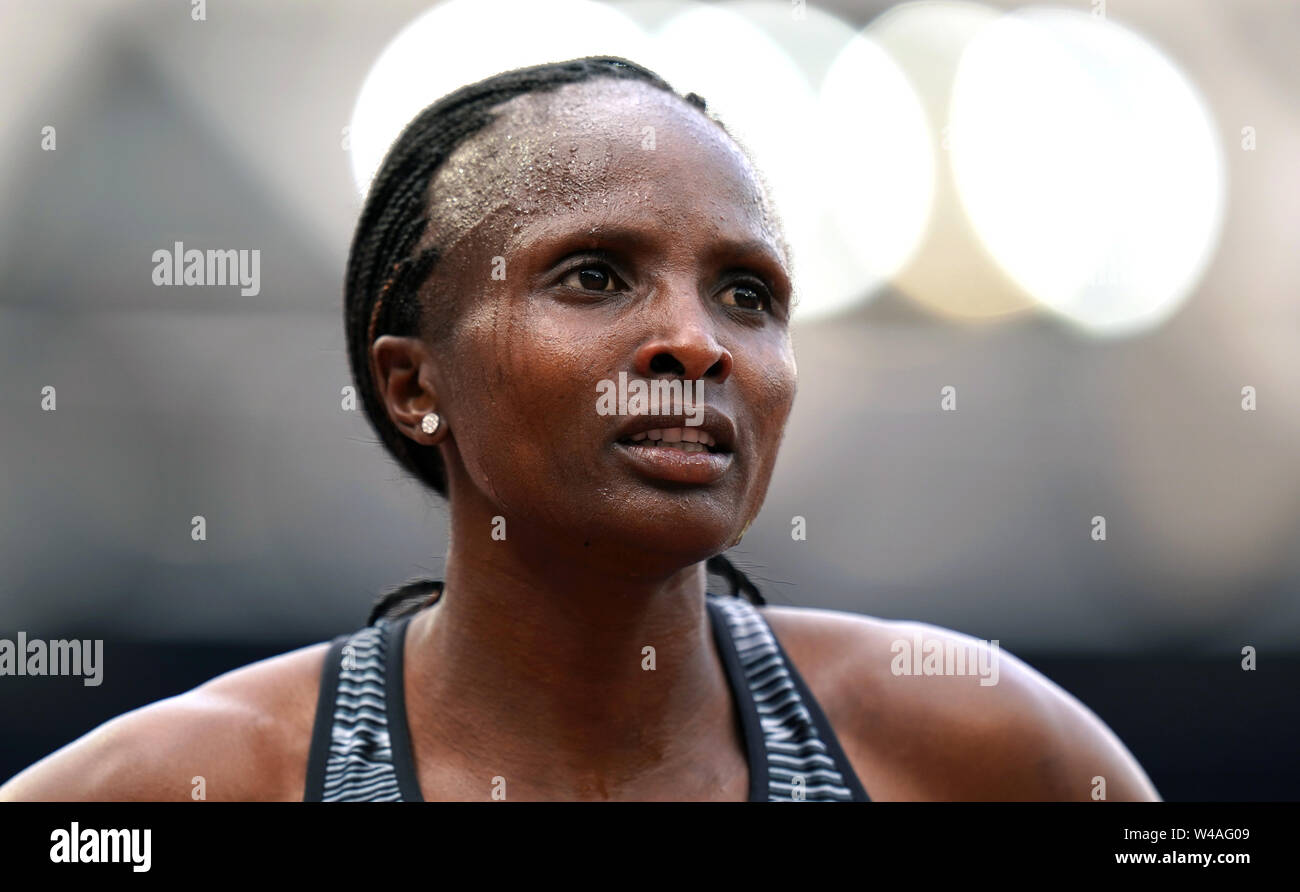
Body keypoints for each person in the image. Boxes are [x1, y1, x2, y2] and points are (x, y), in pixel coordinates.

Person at [0, 56, 1159, 802]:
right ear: (413, 386)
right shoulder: (179, 788)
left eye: (746, 295)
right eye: (596, 275)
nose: (695, 343)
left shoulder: (984, 750)